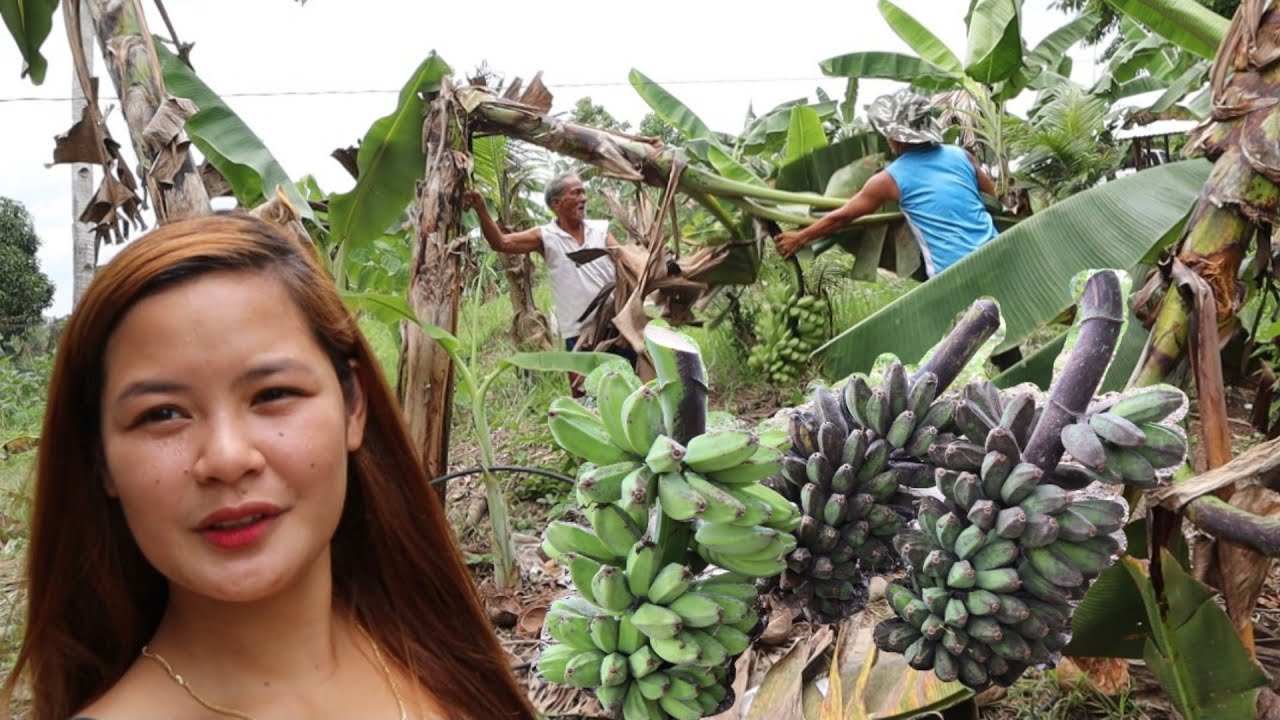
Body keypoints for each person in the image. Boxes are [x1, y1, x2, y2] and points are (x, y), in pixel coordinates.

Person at [2, 213, 536, 720]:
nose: (228, 459)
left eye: (273, 394)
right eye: (162, 414)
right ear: (101, 461)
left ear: (354, 407)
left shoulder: (443, 657)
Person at [776, 89, 999, 278]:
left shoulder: (889, 179)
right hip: (999, 252)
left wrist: (799, 237)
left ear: (898, 137)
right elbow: (991, 198)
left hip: (954, 273)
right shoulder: (961, 156)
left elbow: (842, 217)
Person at [463, 173, 635, 393]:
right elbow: (501, 242)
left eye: (583, 192)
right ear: (557, 203)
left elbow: (626, 263)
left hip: (617, 326)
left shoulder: (600, 230)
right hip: (579, 334)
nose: (584, 197)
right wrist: (480, 208)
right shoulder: (545, 237)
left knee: (632, 389)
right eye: (576, 193)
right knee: (588, 399)